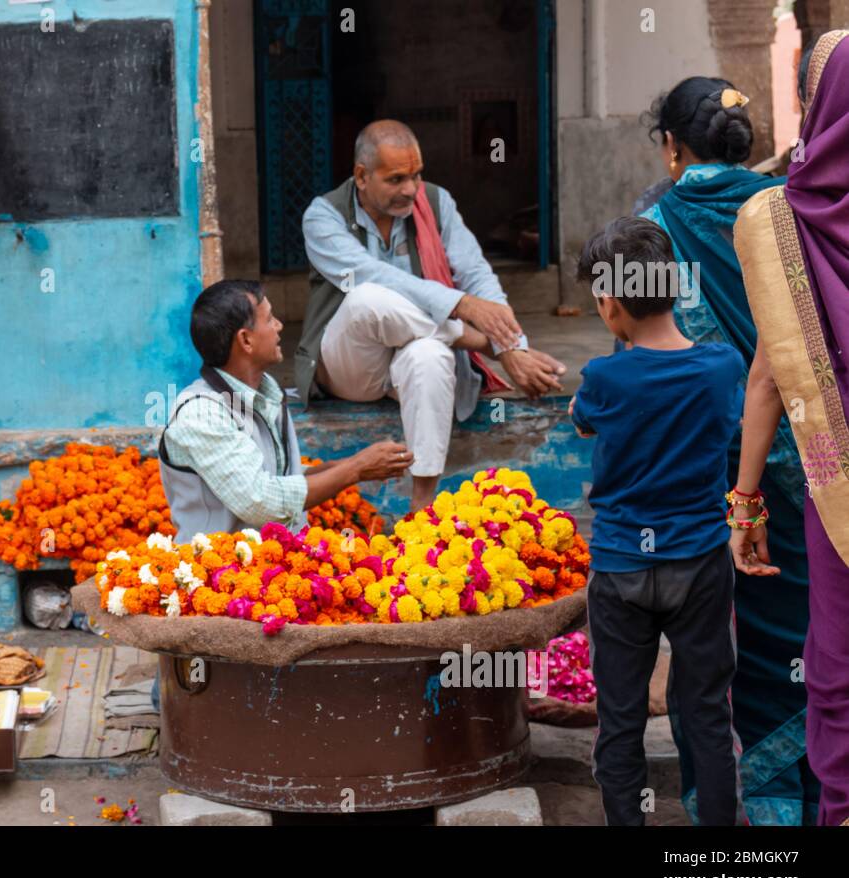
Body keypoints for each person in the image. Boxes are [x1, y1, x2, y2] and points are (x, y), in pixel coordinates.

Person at [639, 76, 817, 826]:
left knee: (702, 636)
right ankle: (793, 796)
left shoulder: (652, 228)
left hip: (699, 471)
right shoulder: (794, 212)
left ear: (672, 146)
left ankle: (713, 805)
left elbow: (643, 366)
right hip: (808, 462)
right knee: (798, 629)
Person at [571, 217, 746, 827]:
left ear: (612, 304)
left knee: (618, 722)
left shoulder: (602, 377)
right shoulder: (723, 367)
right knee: (705, 715)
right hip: (698, 563)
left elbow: (585, 418)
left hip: (620, 568)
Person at [299, 120, 566, 512]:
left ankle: (422, 505)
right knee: (368, 296)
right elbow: (376, 276)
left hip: (411, 357)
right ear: (361, 176)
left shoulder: (436, 203)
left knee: (431, 355)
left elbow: (476, 275)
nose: (411, 189)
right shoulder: (323, 217)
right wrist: (487, 335)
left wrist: (515, 344)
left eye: (417, 175)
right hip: (354, 366)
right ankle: (480, 344)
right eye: (396, 179)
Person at [731, 29, 849, 827]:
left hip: (838, 488)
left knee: (838, 671)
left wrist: (745, 504)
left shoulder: (777, 219)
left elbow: (771, 372)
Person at [158, 279, 411, 543]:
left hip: (274, 569)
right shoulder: (201, 414)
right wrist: (356, 469)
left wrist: (355, 465)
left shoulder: (266, 393)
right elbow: (260, 500)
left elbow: (278, 477)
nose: (279, 326)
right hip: (219, 575)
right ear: (246, 340)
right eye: (269, 320)